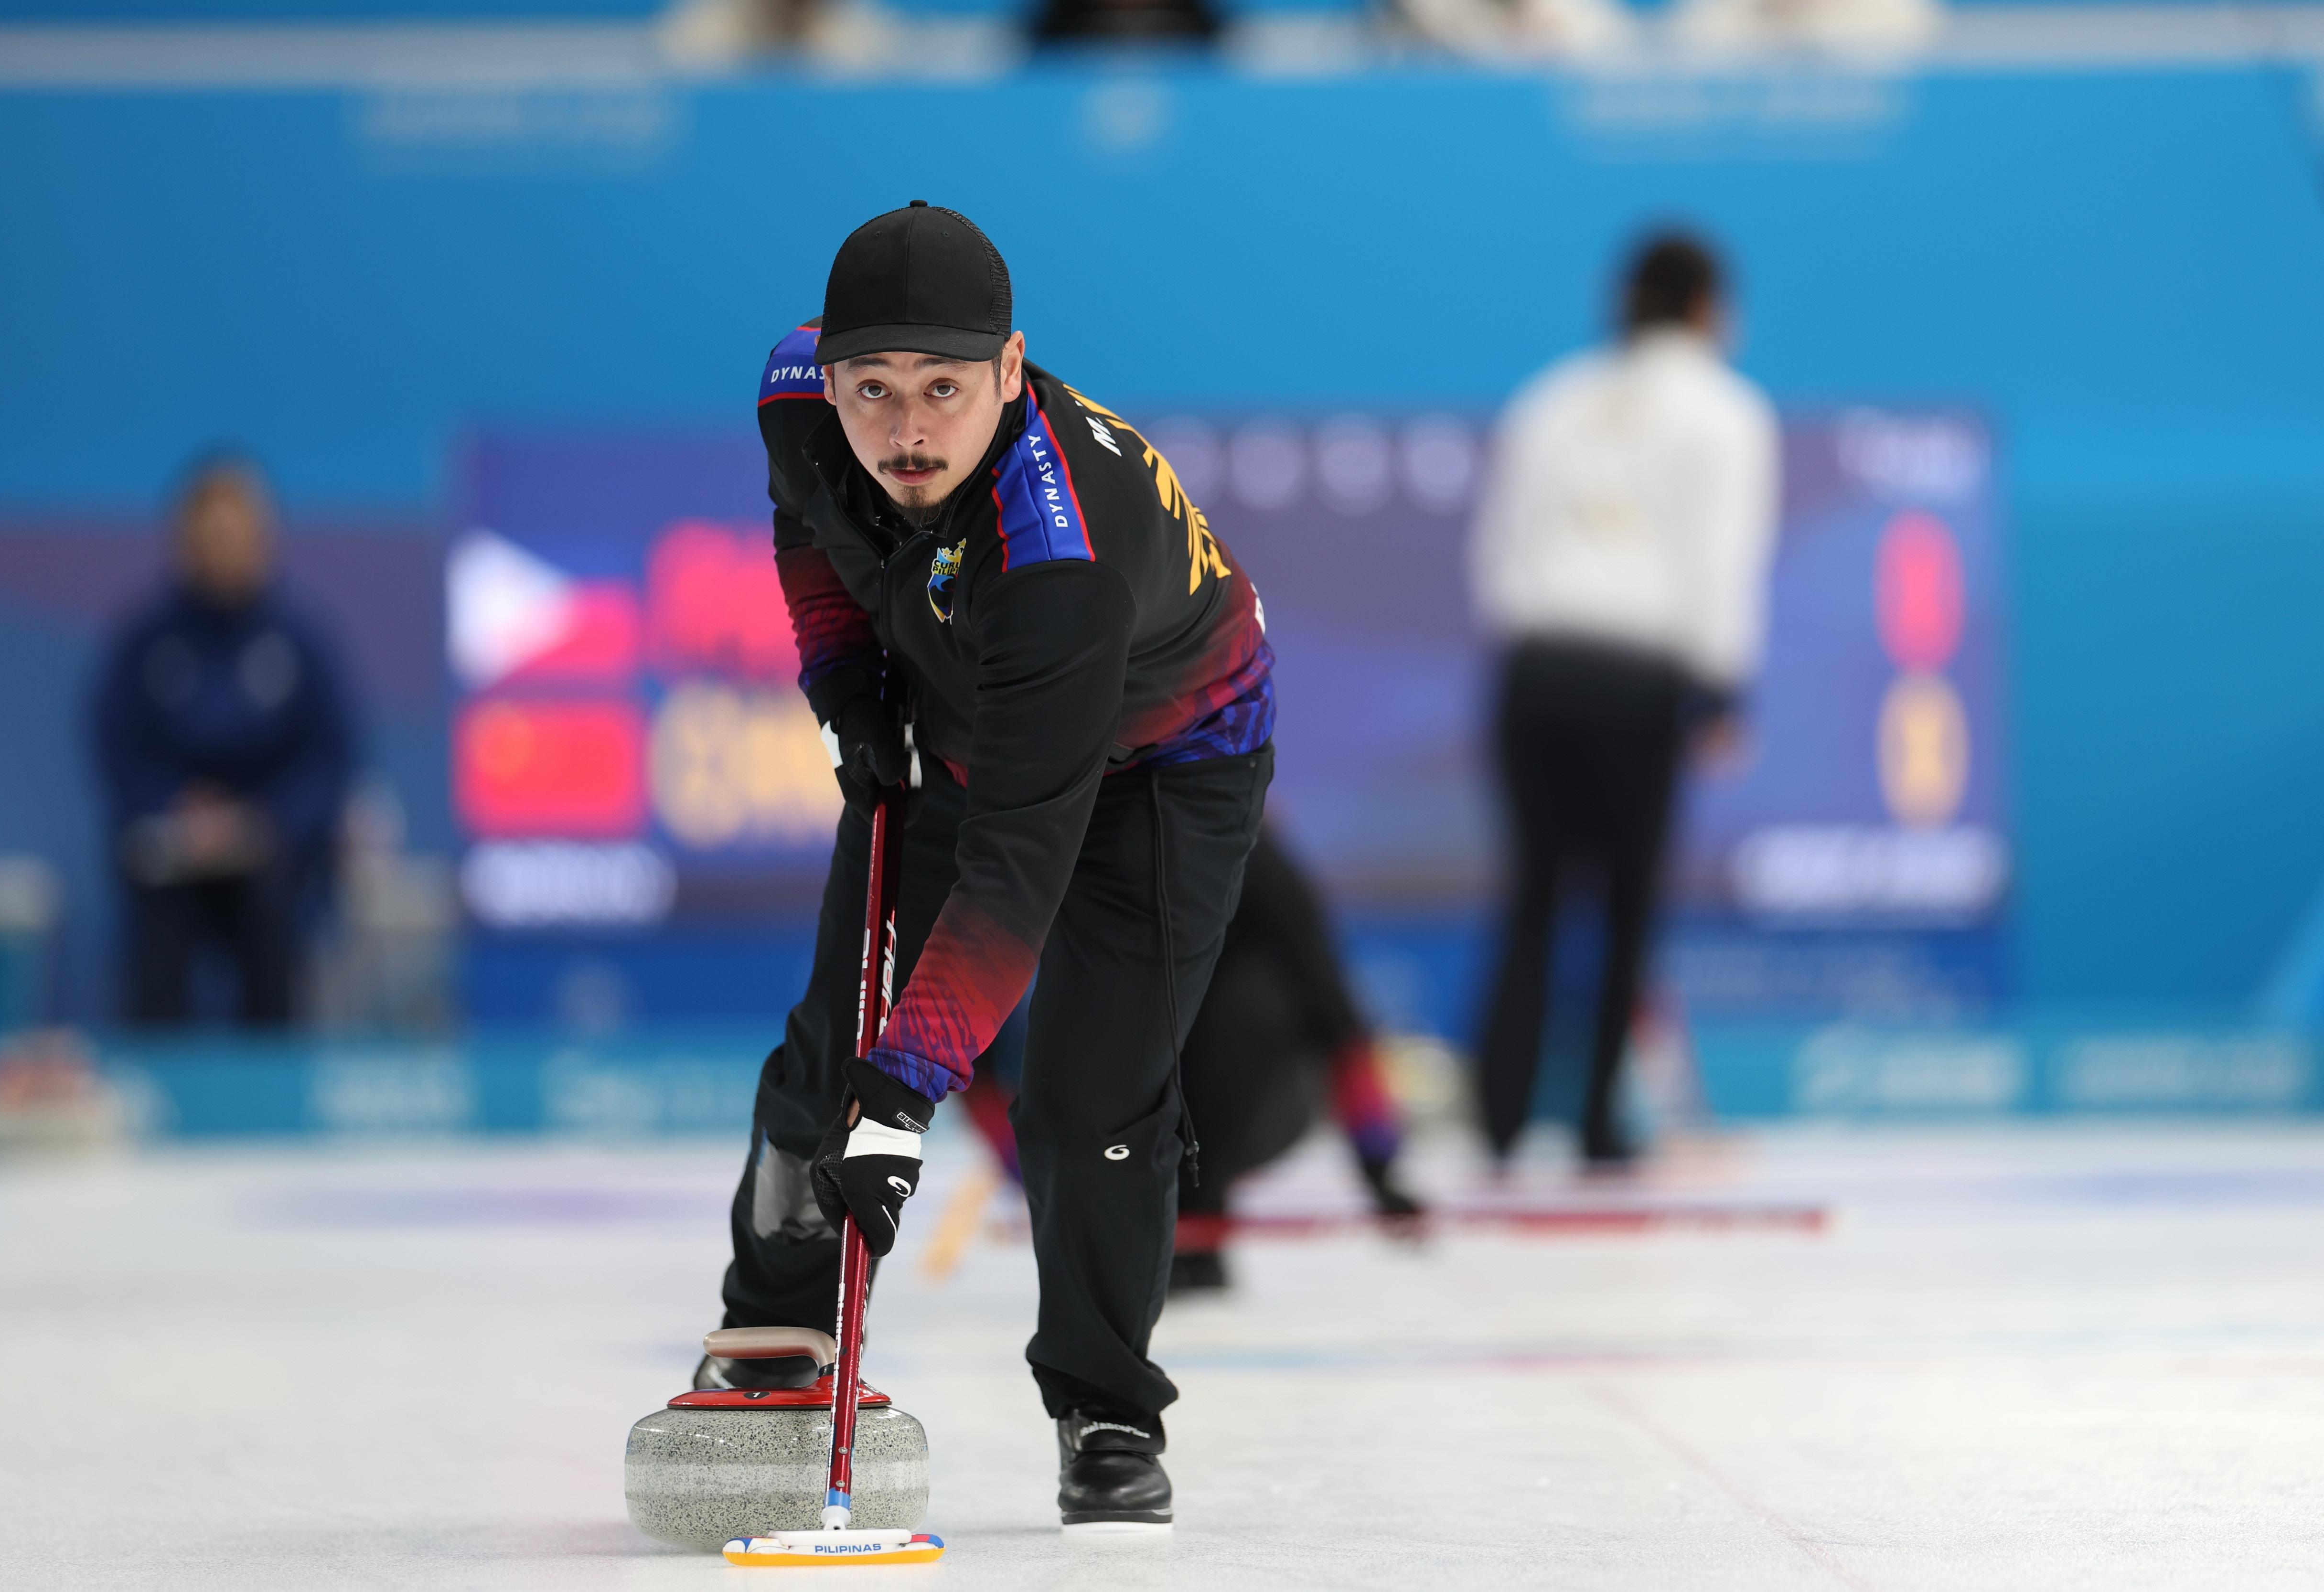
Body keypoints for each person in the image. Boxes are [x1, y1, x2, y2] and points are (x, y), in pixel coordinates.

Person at [705, 203, 1274, 1532]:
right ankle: (778, 1327)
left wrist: (907, 1098)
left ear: (1012, 371)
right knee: (832, 1035)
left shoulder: (1060, 546)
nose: (907, 431)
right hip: (958, 717)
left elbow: (1017, 866)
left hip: (1164, 760)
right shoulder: (798, 404)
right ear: (827, 371)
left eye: (946, 391)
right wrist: (850, 686)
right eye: (876, 391)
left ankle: (1108, 1401)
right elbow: (814, 536)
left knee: (1095, 1097)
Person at [1467, 232, 1778, 1168]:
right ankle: (1601, 1122)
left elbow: (1497, 550)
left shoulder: (1551, 398)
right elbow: (1721, 556)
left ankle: (1501, 1118)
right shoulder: (1726, 413)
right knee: (1627, 904)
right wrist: (1722, 688)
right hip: (1639, 677)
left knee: (1532, 893)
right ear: (1705, 308)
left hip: (1535, 666)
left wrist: (1528, 645)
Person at [953, 824, 1424, 1295]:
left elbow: (1335, 1017)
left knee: (1244, 1005)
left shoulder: (1252, 857)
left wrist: (1378, 1164)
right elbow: (975, 1049)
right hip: (1125, 1097)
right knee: (1099, 997)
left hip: (1253, 1097)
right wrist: (1033, 1172)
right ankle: (1131, 1212)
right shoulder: (1065, 854)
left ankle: (1187, 1207)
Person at [91, 455, 358, 1028]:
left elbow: (331, 757)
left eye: (238, 535)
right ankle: (159, 1079)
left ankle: (272, 1090)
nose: (224, 550)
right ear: (184, 542)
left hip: (269, 854)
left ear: (264, 541)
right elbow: (118, 749)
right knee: (159, 910)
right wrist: (172, 810)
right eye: (210, 536)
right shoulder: (146, 643)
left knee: (273, 907)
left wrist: (267, 821)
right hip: (173, 849)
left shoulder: (298, 642)